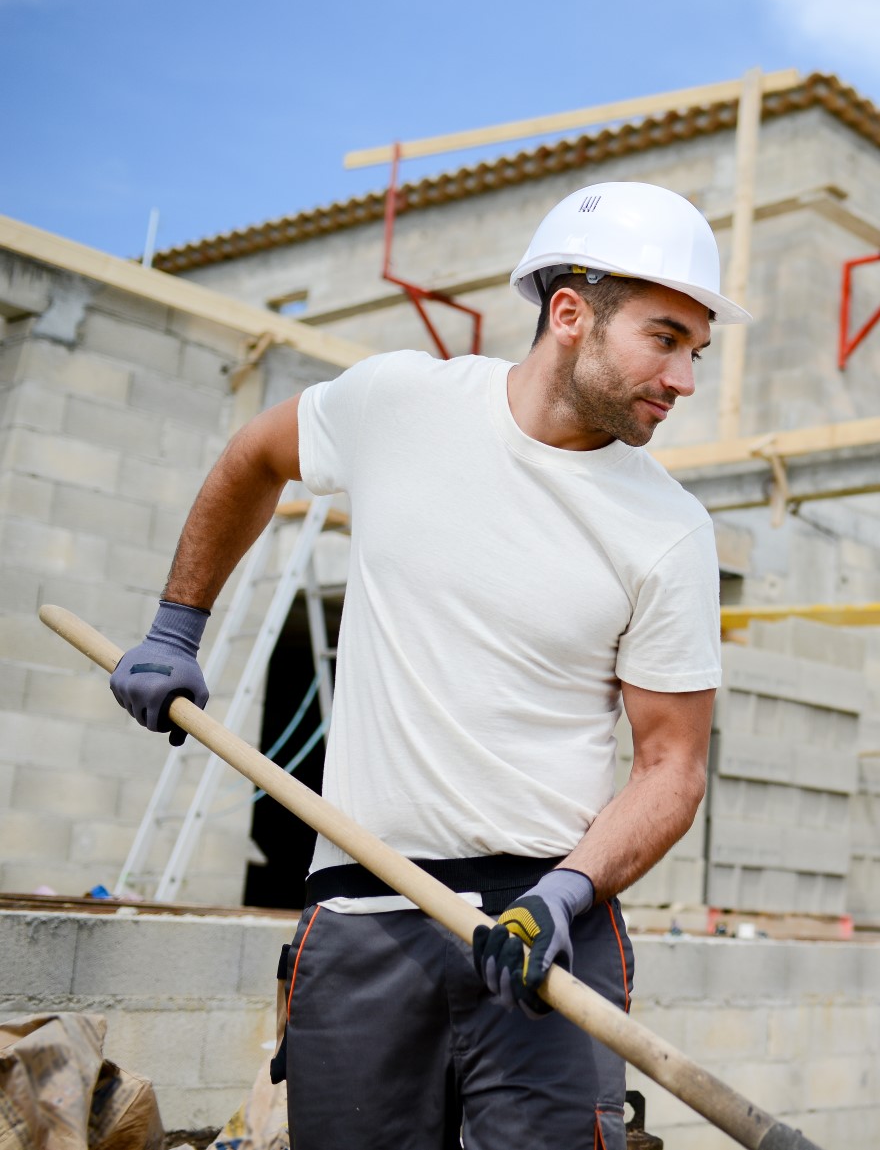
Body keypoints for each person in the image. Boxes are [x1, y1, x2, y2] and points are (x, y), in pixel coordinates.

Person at [107, 181, 750, 1147]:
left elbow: (673, 767)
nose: (685, 378)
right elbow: (254, 456)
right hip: (362, 915)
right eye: (665, 338)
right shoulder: (399, 402)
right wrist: (174, 629)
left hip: (544, 928)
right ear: (570, 314)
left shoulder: (668, 531)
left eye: (696, 349)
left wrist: (564, 897)